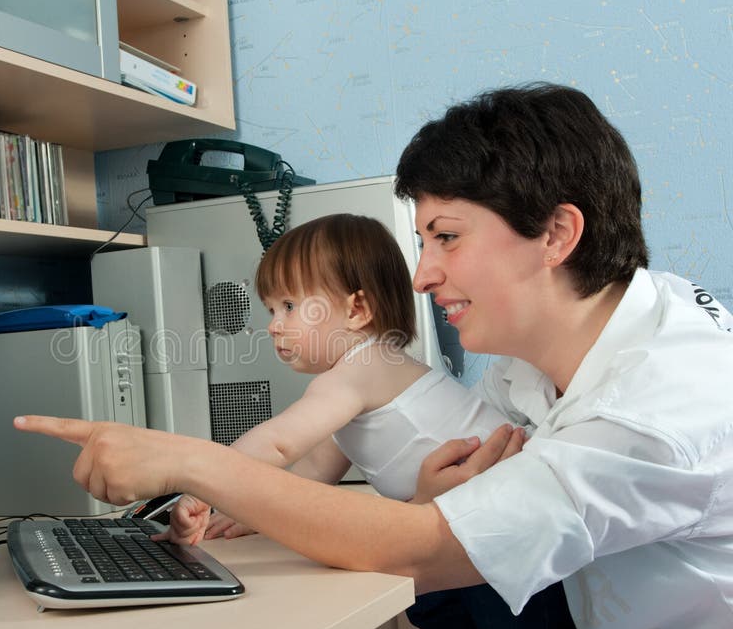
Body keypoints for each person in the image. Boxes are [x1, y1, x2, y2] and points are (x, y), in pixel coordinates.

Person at [14, 82, 733, 629]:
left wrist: (189, 463)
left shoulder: (659, 402)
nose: (422, 277)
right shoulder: (561, 347)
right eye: (423, 243)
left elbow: (423, 545)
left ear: (556, 233)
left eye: (446, 238)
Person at [163, 213, 512, 545]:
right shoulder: (359, 383)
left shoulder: (361, 371)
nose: (273, 326)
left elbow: (279, 443)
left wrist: (203, 486)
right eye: (271, 310)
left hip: (499, 515)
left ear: (356, 310)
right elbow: (315, 471)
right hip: (482, 517)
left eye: (289, 306)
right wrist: (256, 514)